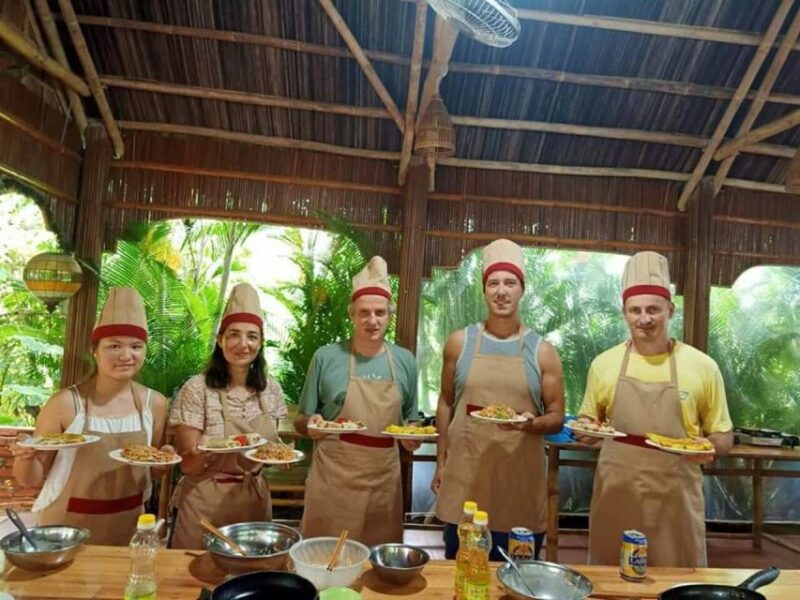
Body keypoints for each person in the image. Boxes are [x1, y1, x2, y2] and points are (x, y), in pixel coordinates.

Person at [576, 251, 733, 567]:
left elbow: (724, 436)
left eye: (653, 309)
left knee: (677, 582)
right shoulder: (603, 365)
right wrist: (585, 433)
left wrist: (709, 447)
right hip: (615, 495)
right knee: (610, 581)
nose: (644, 318)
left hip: (675, 502)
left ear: (670, 310)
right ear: (624, 313)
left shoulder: (702, 366)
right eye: (635, 310)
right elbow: (588, 423)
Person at [433, 239, 565, 561]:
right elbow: (446, 403)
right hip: (466, 485)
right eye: (493, 283)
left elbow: (558, 415)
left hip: (520, 488)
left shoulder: (543, 352)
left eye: (510, 283)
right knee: (462, 578)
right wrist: (440, 462)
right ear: (484, 290)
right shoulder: (459, 343)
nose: (501, 291)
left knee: (518, 584)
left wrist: (531, 423)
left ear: (522, 289)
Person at [11, 287, 170, 545]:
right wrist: (25, 457)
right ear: (94, 350)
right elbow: (29, 479)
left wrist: (163, 464)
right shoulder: (65, 404)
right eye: (114, 346)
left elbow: (151, 473)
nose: (126, 356)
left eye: (136, 346)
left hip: (129, 531)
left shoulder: (155, 404)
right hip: (64, 531)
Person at [294, 256, 419, 546]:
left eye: (379, 312)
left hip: (383, 480)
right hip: (333, 478)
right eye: (364, 313)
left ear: (390, 315)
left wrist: (411, 437)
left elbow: (411, 420)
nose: (372, 321)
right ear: (352, 315)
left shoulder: (405, 361)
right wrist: (309, 425)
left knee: (376, 563)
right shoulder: (326, 357)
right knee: (324, 556)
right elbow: (302, 418)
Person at [169, 283, 288, 549]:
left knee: (251, 581)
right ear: (220, 340)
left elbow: (268, 452)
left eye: (252, 336)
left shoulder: (271, 389)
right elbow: (188, 465)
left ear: (261, 342)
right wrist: (208, 451)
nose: (243, 344)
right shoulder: (197, 389)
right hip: (205, 503)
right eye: (234, 335)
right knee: (193, 584)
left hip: (255, 499)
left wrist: (278, 457)